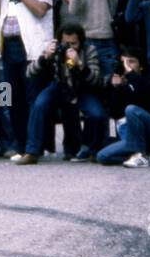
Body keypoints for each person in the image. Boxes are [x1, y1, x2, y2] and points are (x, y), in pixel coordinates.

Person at [12, 24, 106, 164]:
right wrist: (45, 57)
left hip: (82, 89)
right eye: (65, 43)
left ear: (81, 41)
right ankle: (32, 151)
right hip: (59, 86)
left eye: (73, 43)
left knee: (97, 113)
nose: (69, 47)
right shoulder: (54, 50)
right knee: (39, 105)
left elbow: (97, 80)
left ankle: (93, 150)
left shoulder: (89, 51)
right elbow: (29, 72)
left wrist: (80, 64)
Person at [0, 0, 54, 158]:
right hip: (9, 50)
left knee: (33, 100)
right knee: (12, 100)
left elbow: (40, 10)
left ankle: (36, 146)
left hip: (33, 51)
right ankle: (20, 145)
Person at [95, 51, 150, 167]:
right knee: (102, 157)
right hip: (128, 135)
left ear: (141, 65)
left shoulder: (149, 78)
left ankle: (141, 154)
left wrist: (131, 75)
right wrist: (116, 88)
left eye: (131, 62)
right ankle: (149, 158)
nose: (126, 65)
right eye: (124, 62)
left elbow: (147, 99)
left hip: (148, 129)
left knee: (131, 109)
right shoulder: (121, 80)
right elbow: (114, 113)